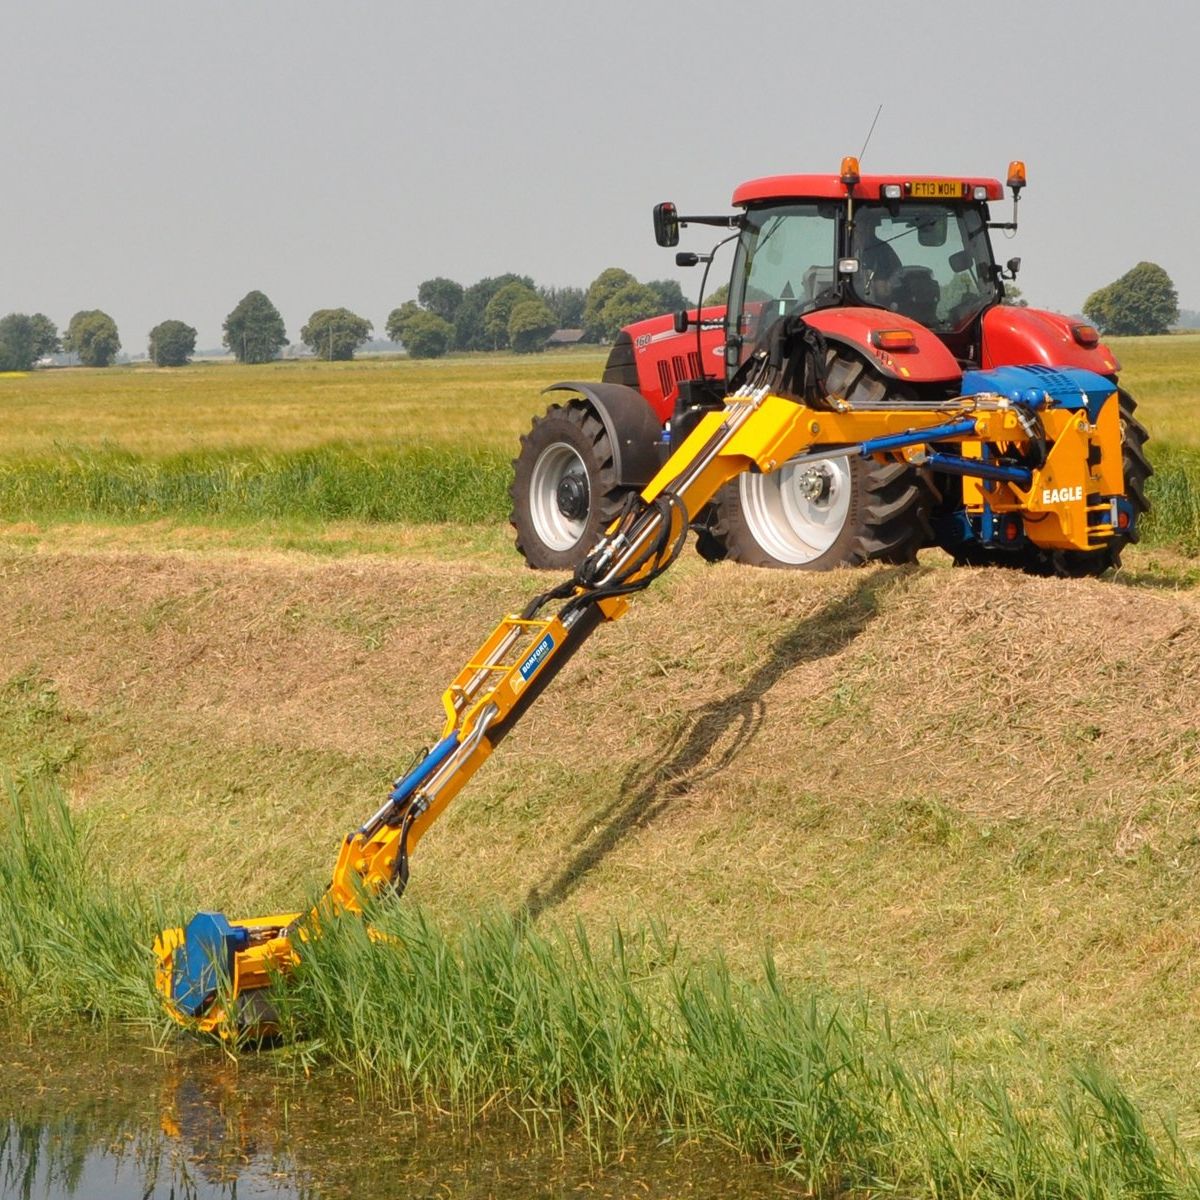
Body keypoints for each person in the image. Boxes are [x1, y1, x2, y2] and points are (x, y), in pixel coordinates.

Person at [852, 210, 902, 303]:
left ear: (870, 228)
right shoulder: (845, 249)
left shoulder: (882, 250)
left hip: (878, 304)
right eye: (856, 230)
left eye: (864, 227)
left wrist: (886, 285)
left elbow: (883, 289)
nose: (857, 234)